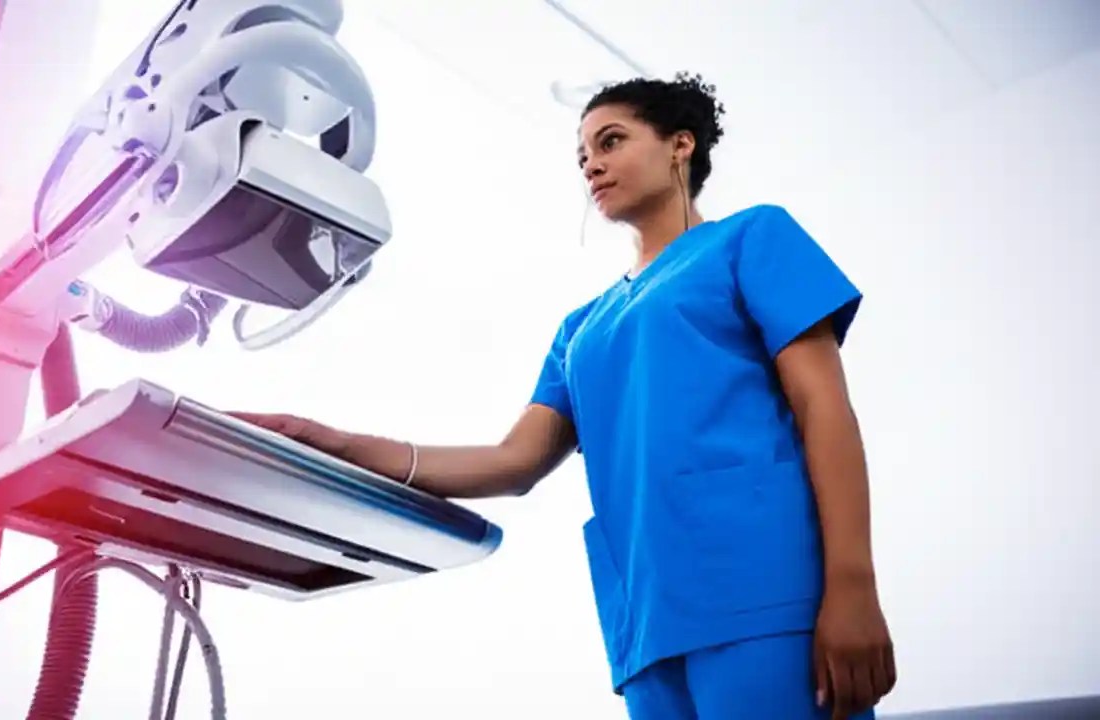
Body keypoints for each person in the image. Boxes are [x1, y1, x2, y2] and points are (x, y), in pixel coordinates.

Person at [231, 73, 896, 720]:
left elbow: (825, 411)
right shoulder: (581, 330)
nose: (592, 166)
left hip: (766, 593)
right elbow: (512, 462)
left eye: (611, 142)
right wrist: (337, 444)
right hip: (647, 623)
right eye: (583, 156)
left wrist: (852, 586)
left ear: (680, 145)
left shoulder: (750, 239)